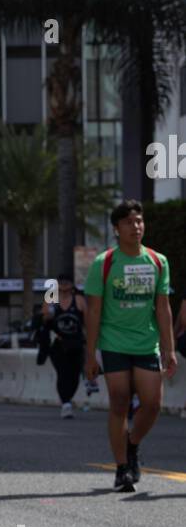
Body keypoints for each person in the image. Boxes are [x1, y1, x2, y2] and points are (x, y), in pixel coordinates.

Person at [84, 199, 177, 492]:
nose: (135, 227)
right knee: (120, 401)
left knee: (152, 404)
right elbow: (94, 311)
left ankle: (132, 443)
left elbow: (163, 308)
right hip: (113, 343)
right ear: (116, 228)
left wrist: (169, 348)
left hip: (146, 344)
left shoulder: (158, 261)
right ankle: (122, 468)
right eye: (128, 222)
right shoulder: (104, 263)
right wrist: (90, 354)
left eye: (139, 221)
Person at [40, 274, 87, 418]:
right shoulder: (52, 297)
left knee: (74, 375)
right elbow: (43, 317)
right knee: (62, 373)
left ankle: (68, 398)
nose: (64, 286)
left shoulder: (78, 300)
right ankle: (66, 403)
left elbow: (87, 321)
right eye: (62, 283)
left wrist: (90, 341)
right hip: (58, 344)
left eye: (67, 283)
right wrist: (48, 314)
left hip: (76, 344)